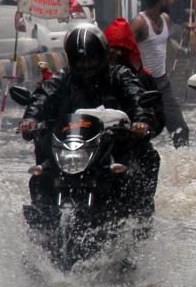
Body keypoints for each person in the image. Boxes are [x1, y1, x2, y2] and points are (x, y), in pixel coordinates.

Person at [17, 25, 159, 223]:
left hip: (111, 147)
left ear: (102, 54)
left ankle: (138, 218)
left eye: (90, 58)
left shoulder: (119, 76)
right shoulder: (62, 79)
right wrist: (30, 120)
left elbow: (136, 97)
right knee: (41, 174)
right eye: (80, 60)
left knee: (146, 157)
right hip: (70, 148)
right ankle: (42, 223)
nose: (86, 64)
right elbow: (42, 97)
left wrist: (141, 121)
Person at [131, 0, 189, 148]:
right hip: (141, 86)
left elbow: (163, 47)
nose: (173, 1)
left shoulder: (166, 20)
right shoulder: (139, 23)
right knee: (139, 133)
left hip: (163, 84)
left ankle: (182, 168)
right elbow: (124, 50)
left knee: (181, 129)